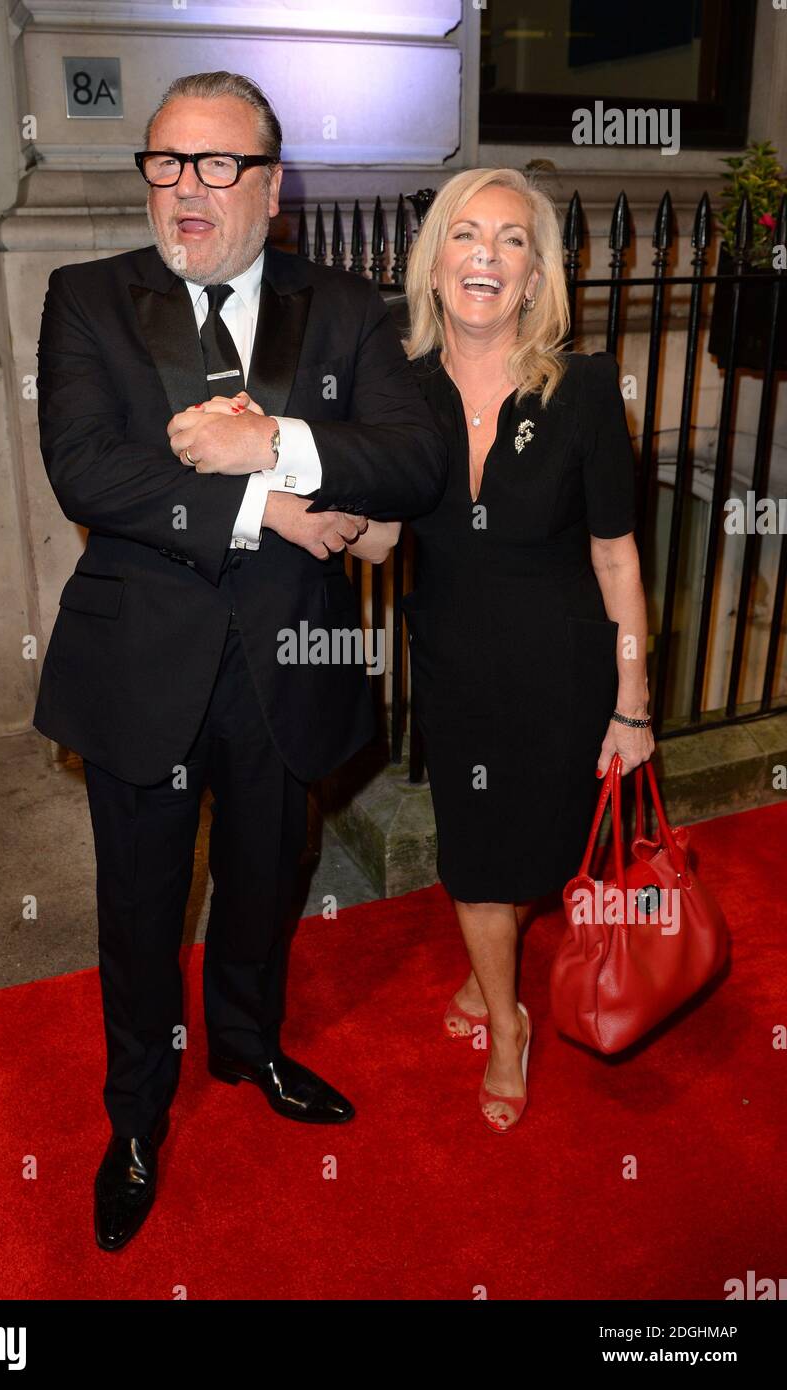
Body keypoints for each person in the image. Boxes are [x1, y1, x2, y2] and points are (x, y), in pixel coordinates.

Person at [34, 70, 446, 1250]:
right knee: (141, 907)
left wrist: (271, 442)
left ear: (271, 184)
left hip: (289, 660)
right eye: (165, 163)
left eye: (217, 165)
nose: (186, 190)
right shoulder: (89, 299)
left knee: (265, 883)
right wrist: (267, 505)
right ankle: (134, 1117)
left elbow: (411, 463)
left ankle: (251, 1047)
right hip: (141, 663)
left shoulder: (353, 310)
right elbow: (88, 470)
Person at [356, 168, 654, 1132]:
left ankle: (492, 971)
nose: (487, 253)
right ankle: (505, 1021)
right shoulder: (396, 393)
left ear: (534, 278)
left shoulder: (586, 390)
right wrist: (292, 490)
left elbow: (616, 556)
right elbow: (377, 538)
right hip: (454, 664)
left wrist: (633, 702)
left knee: (542, 856)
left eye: (512, 240)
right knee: (478, 859)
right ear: (435, 263)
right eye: (466, 234)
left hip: (565, 667)